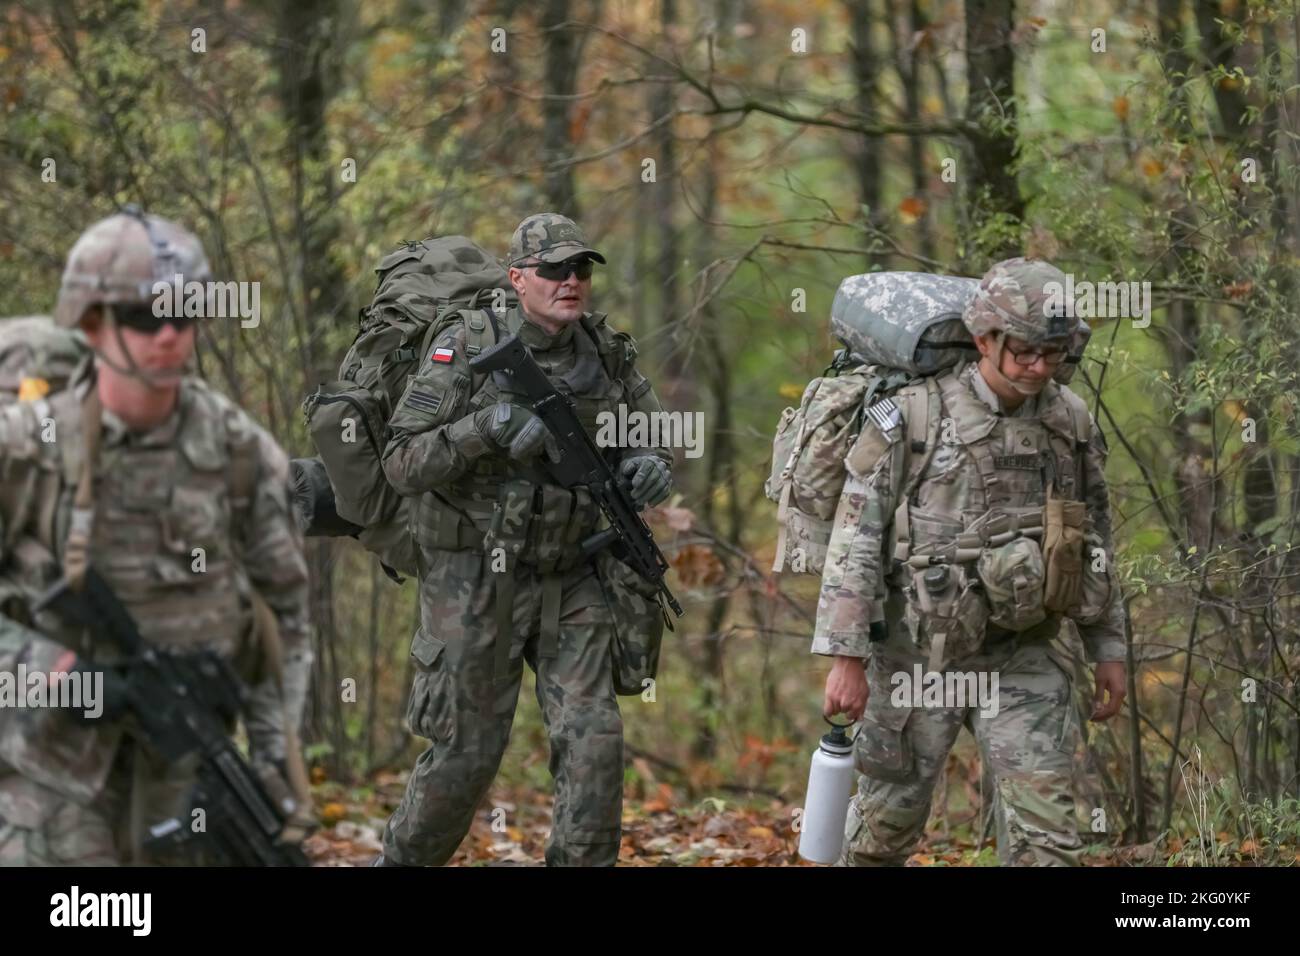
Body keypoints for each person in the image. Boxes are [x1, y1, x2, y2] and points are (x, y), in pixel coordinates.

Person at [0, 207, 313, 865]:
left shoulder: (240, 454)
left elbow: (284, 618)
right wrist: (51, 672)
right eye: (144, 317)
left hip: (185, 778)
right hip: (50, 783)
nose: (169, 334)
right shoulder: (29, 451)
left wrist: (277, 771)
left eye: (186, 311)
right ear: (91, 323)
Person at [376, 213, 673, 867]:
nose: (570, 281)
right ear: (517, 278)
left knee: (594, 737)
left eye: (580, 269)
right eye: (553, 269)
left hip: (570, 572)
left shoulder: (608, 351)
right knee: (466, 754)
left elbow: (653, 432)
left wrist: (651, 461)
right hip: (475, 576)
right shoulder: (465, 344)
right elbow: (402, 461)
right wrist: (484, 427)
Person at [816, 257, 1127, 866]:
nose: (1039, 366)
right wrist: (845, 657)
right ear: (984, 338)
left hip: (1024, 650)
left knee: (1049, 836)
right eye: (1024, 350)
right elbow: (855, 537)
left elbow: (1094, 539)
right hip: (916, 655)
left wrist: (1108, 649)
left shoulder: (1070, 422)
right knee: (884, 832)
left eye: (1053, 352)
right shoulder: (912, 416)